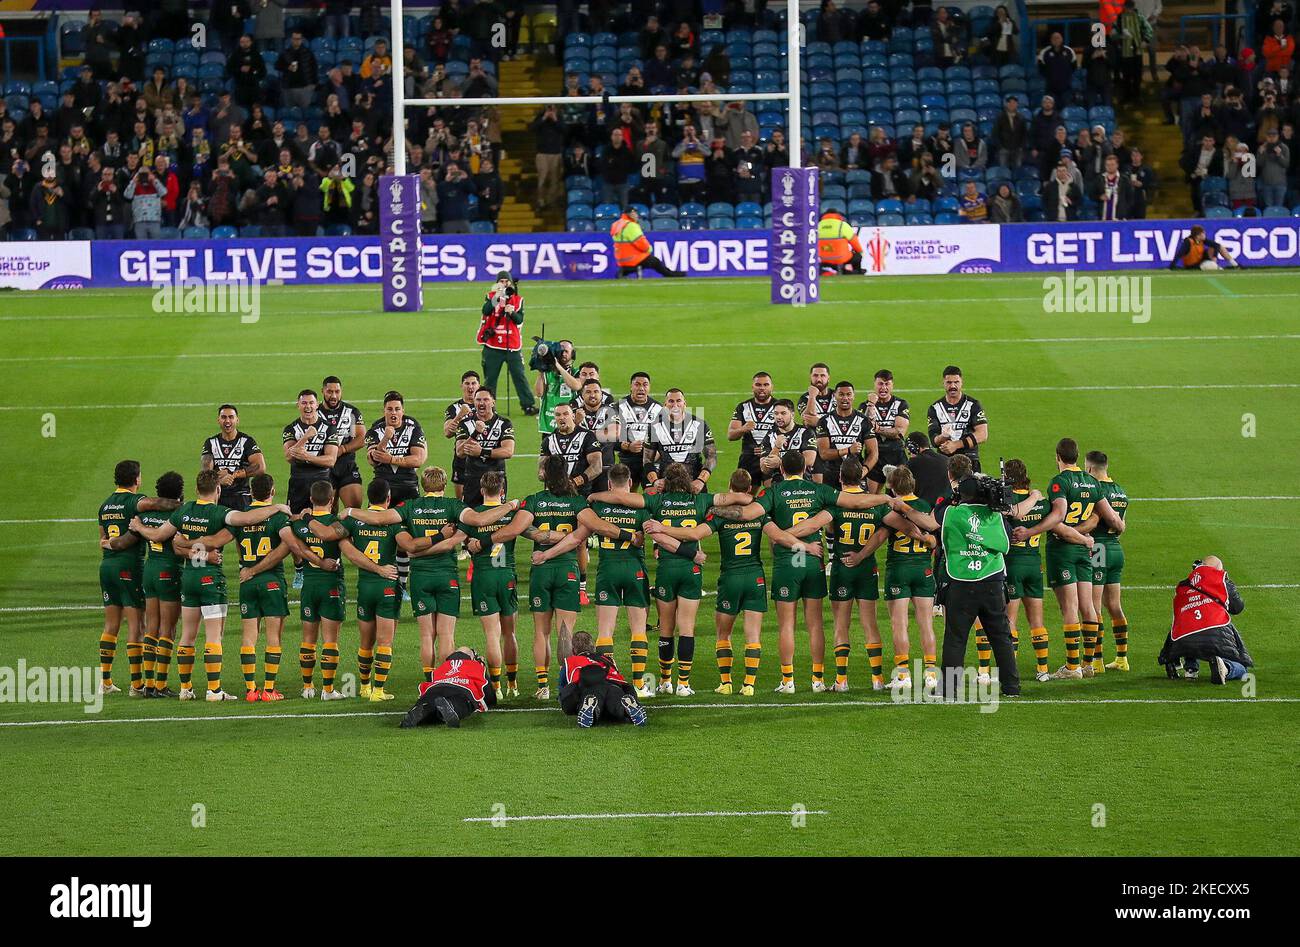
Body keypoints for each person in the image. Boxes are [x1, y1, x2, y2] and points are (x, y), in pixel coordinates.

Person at [711, 451, 907, 692]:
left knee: (787, 626)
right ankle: (817, 680)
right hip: (813, 561)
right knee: (815, 624)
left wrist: (713, 507)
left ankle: (788, 681)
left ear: (781, 470)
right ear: (805, 468)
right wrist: (885, 499)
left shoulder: (772, 492)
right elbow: (856, 502)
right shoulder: (818, 490)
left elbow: (747, 513)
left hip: (787, 564)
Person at [645, 468, 823, 697]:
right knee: (753, 636)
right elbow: (779, 537)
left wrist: (663, 527)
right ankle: (749, 685)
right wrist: (807, 547)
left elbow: (695, 534)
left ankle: (724, 682)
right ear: (750, 488)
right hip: (754, 578)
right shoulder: (759, 514)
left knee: (721, 634)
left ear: (730, 485)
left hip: (729, 578)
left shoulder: (719, 515)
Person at [128, 469, 289, 702]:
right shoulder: (220, 513)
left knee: (187, 635)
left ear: (196, 490)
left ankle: (185, 689)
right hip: (211, 582)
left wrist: (140, 527)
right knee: (214, 636)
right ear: (218, 490)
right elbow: (246, 519)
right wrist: (276, 507)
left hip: (189, 578)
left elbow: (163, 538)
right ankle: (214, 690)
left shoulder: (184, 510)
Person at [1011, 438, 1125, 680]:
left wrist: (1031, 531)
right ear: (1077, 456)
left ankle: (1072, 667)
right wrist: (1087, 533)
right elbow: (1107, 517)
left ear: (1057, 457)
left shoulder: (1059, 482)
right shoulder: (1093, 482)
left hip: (1062, 550)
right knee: (1088, 607)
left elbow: (1059, 516)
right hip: (1085, 551)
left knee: (1070, 607)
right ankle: (1088, 664)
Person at [490, 455, 591, 698]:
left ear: (545, 473)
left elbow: (516, 529)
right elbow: (581, 544)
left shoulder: (534, 500)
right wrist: (582, 579)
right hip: (567, 569)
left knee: (541, 632)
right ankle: (567, 684)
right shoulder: (577, 502)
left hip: (541, 570)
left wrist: (490, 539)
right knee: (565, 631)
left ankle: (543, 685)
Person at [827, 457, 924, 691]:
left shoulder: (834, 503)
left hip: (842, 567)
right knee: (870, 624)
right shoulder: (877, 505)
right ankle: (877, 679)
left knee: (841, 625)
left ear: (840, 478)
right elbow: (903, 526)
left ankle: (841, 680)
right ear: (861, 477)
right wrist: (926, 536)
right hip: (866, 569)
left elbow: (828, 529)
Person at [95, 461, 182, 696]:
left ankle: (106, 681)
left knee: (111, 625)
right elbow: (158, 503)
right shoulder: (135, 501)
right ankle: (137, 685)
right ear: (136, 479)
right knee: (137, 626)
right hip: (129, 568)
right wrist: (182, 505)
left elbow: (103, 538)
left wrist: (107, 544)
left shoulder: (104, 506)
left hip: (106, 566)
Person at [934, 463, 1021, 698]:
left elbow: (936, 518)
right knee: (1000, 636)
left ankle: (949, 688)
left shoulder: (951, 513)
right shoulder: (995, 517)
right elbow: (1005, 545)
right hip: (991, 582)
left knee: (955, 637)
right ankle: (1011, 686)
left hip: (960, 582)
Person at [232, 473, 317, 702]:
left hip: (246, 582)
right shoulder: (278, 519)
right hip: (271, 582)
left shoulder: (241, 518)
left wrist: (248, 568)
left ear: (251, 492)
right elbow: (290, 546)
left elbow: (240, 550)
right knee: (273, 637)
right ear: (272, 492)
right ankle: (269, 690)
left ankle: (250, 690)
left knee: (249, 637)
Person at [1158, 557, 1251, 684]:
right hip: (1216, 635)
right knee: (1242, 668)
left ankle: (1190, 669)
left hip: (1183, 639)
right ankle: (1225, 668)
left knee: (1189, 619)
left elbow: (1176, 624)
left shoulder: (1182, 587)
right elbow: (1237, 607)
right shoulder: (1221, 580)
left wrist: (1167, 658)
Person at [1082, 451, 1131, 671]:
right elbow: (1122, 526)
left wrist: (1069, 532)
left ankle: (1097, 660)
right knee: (1114, 605)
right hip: (1115, 549)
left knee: (1094, 606)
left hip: (1099, 548)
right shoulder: (1120, 491)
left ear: (1091, 469)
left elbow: (1094, 521)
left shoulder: (1097, 490)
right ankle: (1122, 658)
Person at [476, 271, 538, 415]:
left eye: (506, 281)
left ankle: (528, 405)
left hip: (512, 346)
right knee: (490, 379)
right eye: (501, 281)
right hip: (493, 346)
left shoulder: (518, 300)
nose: (504, 284)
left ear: (511, 283)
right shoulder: (491, 296)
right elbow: (486, 310)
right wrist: (497, 297)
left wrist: (511, 312)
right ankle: (488, 407)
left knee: (519, 375)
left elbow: (519, 320)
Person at [559, 632, 647, 727]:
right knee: (615, 705)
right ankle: (624, 708)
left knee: (593, 704)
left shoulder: (570, 661)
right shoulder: (607, 659)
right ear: (594, 648)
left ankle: (590, 707)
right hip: (613, 686)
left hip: (590, 689)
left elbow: (563, 689)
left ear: (573, 650)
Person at [643, 388, 716, 493]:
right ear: (665, 405)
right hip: (666, 485)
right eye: (671, 401)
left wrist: (701, 480)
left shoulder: (699, 424)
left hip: (694, 483)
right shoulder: (655, 427)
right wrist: (655, 481)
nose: (675, 404)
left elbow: (711, 456)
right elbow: (647, 460)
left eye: (678, 401)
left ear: (685, 403)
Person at [400, 648, 497, 727]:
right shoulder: (476, 666)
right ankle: (451, 705)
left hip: (434, 689)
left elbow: (430, 680)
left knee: (430, 704)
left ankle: (423, 709)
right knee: (463, 702)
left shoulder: (442, 667)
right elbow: (489, 696)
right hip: (459, 690)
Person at [454, 387, 515, 507]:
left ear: (493, 402)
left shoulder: (504, 423)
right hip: (473, 478)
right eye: (478, 400)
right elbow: (460, 452)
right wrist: (475, 433)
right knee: (471, 515)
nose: (481, 403)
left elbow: (508, 451)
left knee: (496, 516)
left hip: (497, 479)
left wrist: (482, 451)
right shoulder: (465, 423)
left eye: (486, 400)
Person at [200, 405, 264, 513]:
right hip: (217, 497)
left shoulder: (247, 441)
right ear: (218, 420)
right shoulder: (211, 443)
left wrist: (233, 475)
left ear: (237, 420)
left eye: (231, 417)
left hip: (241, 497)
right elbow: (205, 472)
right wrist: (219, 480)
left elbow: (260, 467)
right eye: (224, 417)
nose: (227, 421)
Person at [816, 380, 878, 491]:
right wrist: (848, 450)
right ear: (835, 396)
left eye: (849, 394)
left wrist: (863, 471)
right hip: (832, 475)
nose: (845, 398)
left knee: (858, 507)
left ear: (854, 396)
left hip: (856, 476)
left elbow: (874, 452)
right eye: (841, 394)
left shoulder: (863, 421)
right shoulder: (824, 421)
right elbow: (824, 453)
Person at [927, 366, 989, 472]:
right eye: (949, 382)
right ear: (943, 383)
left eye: (956, 382)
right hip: (945, 460)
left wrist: (956, 445)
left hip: (969, 460)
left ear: (962, 382)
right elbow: (934, 440)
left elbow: (983, 434)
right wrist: (943, 436)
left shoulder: (973, 405)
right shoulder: (935, 408)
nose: (953, 386)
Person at [319, 376, 366, 512]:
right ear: (322, 391)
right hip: (324, 467)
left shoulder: (351, 413)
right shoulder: (316, 414)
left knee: (354, 510)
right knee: (328, 512)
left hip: (347, 465)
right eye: (329, 392)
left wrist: (343, 449)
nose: (334, 396)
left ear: (341, 391)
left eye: (337, 391)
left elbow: (362, 437)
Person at [860, 369, 910, 492]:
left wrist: (877, 429)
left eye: (887, 384)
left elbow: (899, 432)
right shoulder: (865, 406)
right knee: (872, 496)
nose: (883, 388)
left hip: (896, 454)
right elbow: (863, 430)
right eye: (880, 384)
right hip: (874, 455)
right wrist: (871, 405)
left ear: (892, 385)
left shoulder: (901, 404)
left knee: (900, 494)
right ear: (874, 384)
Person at [730, 372, 780, 489]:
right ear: (753, 386)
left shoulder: (779, 408)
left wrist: (767, 450)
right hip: (749, 459)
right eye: (758, 384)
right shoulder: (743, 407)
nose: (762, 388)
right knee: (741, 495)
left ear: (772, 386)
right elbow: (731, 435)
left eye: (766, 384)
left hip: (771, 457)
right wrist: (743, 429)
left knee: (773, 494)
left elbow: (788, 431)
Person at [615, 371, 663, 489]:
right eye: (637, 384)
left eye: (645, 384)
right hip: (628, 459)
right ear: (631, 387)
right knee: (628, 494)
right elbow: (609, 440)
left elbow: (665, 437)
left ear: (649, 387)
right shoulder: (618, 407)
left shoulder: (658, 409)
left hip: (651, 461)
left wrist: (656, 453)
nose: (641, 388)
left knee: (652, 493)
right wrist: (627, 446)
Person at [611, 207, 684, 278]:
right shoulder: (631, 225)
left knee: (643, 262)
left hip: (620, 259)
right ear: (631, 214)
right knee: (654, 261)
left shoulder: (616, 224)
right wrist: (649, 249)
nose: (637, 215)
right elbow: (641, 243)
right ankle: (670, 275)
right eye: (635, 213)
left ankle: (622, 272)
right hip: (632, 258)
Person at [444, 371, 481, 501]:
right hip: (462, 457)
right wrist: (460, 415)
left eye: (473, 383)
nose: (470, 387)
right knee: (461, 502)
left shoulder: (484, 405)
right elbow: (448, 433)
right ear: (462, 386)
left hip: (481, 456)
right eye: (467, 383)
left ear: (478, 385)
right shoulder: (453, 408)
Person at [534, 339, 583, 435]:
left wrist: (557, 366)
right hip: (549, 424)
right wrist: (541, 370)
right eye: (561, 351)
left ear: (572, 354)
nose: (563, 354)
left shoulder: (577, 372)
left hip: (571, 424)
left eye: (566, 351)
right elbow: (539, 393)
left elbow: (576, 386)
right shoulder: (547, 373)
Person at [1169, 225, 1241, 270]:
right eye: (1203, 234)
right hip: (1192, 265)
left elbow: (1216, 245)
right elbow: (1179, 254)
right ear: (1198, 236)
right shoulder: (1188, 242)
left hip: (1201, 260)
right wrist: (1172, 266)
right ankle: (1219, 268)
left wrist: (1215, 257)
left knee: (1220, 247)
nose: (1204, 235)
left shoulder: (1202, 240)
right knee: (1211, 266)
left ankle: (1235, 265)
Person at [817, 210, 864, 274]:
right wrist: (860, 252)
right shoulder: (842, 225)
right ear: (838, 215)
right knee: (858, 256)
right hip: (841, 258)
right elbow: (855, 242)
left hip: (822, 259)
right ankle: (856, 273)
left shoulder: (818, 225)